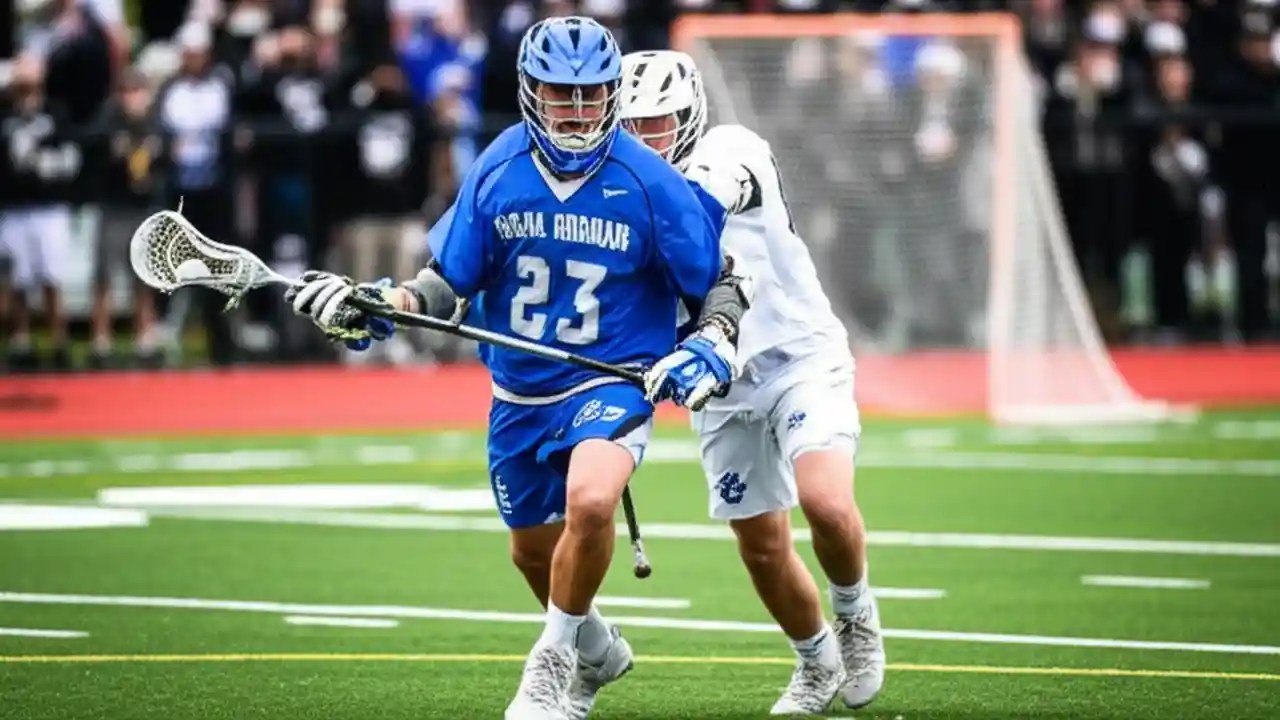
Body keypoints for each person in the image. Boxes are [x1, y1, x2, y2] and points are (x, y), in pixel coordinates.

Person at [285, 17, 750, 720]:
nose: (576, 109)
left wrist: (712, 339)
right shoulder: (502, 164)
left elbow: (717, 277)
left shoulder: (648, 180)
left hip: (613, 377)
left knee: (591, 502)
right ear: (531, 92)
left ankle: (552, 663)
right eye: (560, 94)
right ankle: (596, 650)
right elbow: (448, 282)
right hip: (519, 390)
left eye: (592, 93)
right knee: (532, 554)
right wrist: (387, 302)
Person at [623, 50, 886, 715]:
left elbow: (704, 207)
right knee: (763, 548)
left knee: (825, 501)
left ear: (689, 115)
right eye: (634, 126)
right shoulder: (618, 189)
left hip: (798, 359)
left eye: (661, 122)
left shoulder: (731, 148)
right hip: (716, 387)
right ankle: (815, 661)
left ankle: (855, 612)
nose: (649, 137)